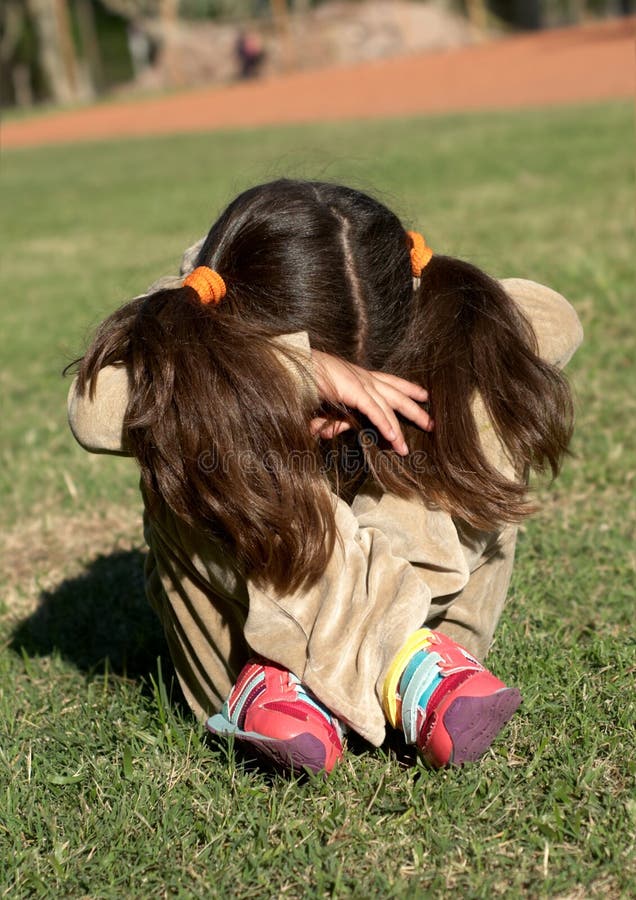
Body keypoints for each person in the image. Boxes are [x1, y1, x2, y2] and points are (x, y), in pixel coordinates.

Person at [67, 179, 582, 775]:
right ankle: (393, 658)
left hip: (435, 662)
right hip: (261, 679)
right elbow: (92, 408)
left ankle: (401, 660)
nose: (341, 424)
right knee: (196, 428)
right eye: (328, 409)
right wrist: (287, 372)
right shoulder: (189, 312)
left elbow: (557, 318)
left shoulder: (413, 297)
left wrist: (430, 355)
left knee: (479, 369)